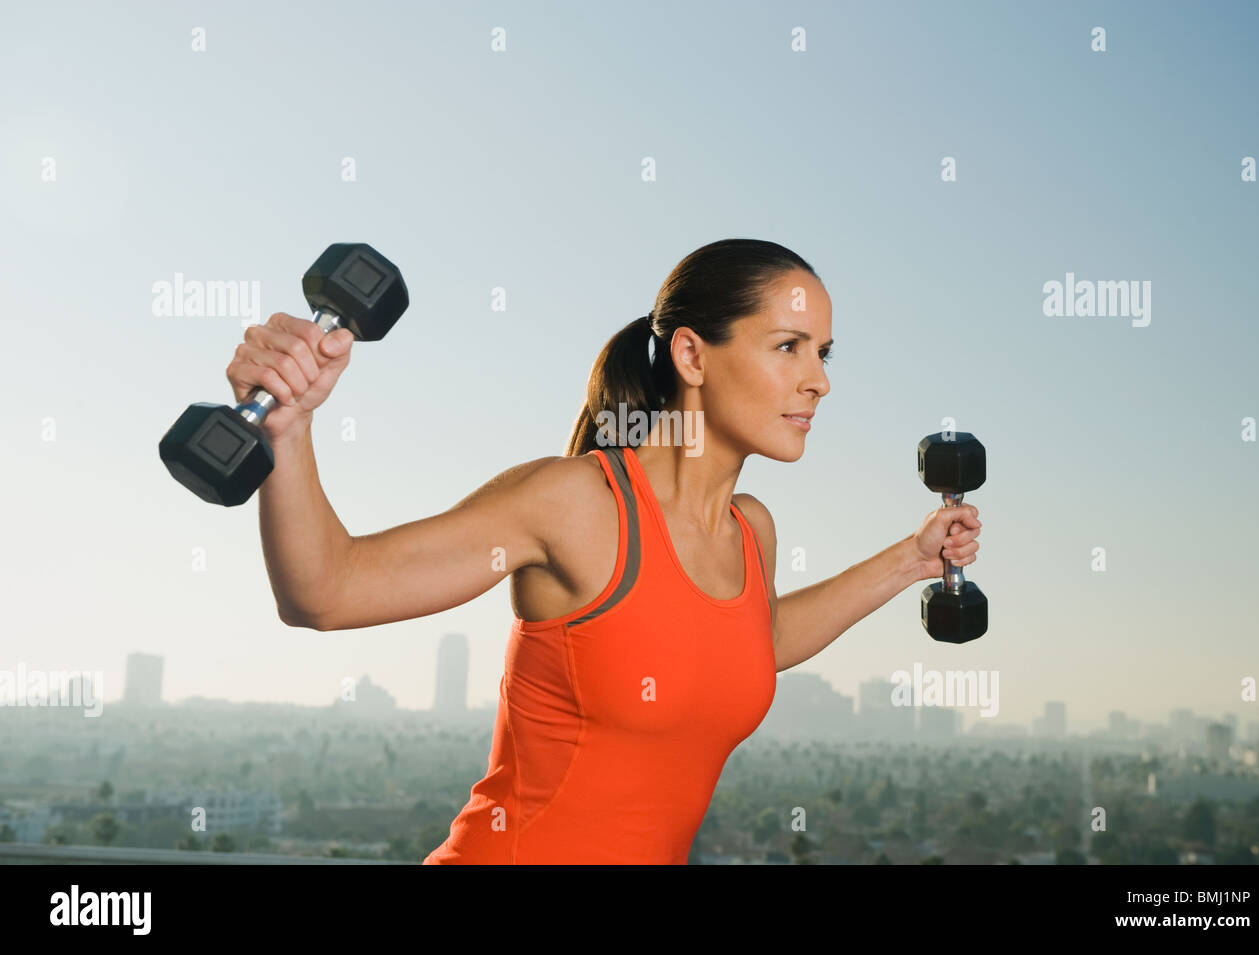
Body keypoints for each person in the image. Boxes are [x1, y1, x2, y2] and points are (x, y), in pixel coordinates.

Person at [233, 237, 981, 864]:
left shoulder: (749, 530)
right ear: (692, 354)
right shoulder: (575, 504)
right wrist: (289, 429)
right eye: (788, 346)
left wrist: (912, 559)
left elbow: (752, 640)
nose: (818, 381)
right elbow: (325, 592)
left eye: (822, 352)